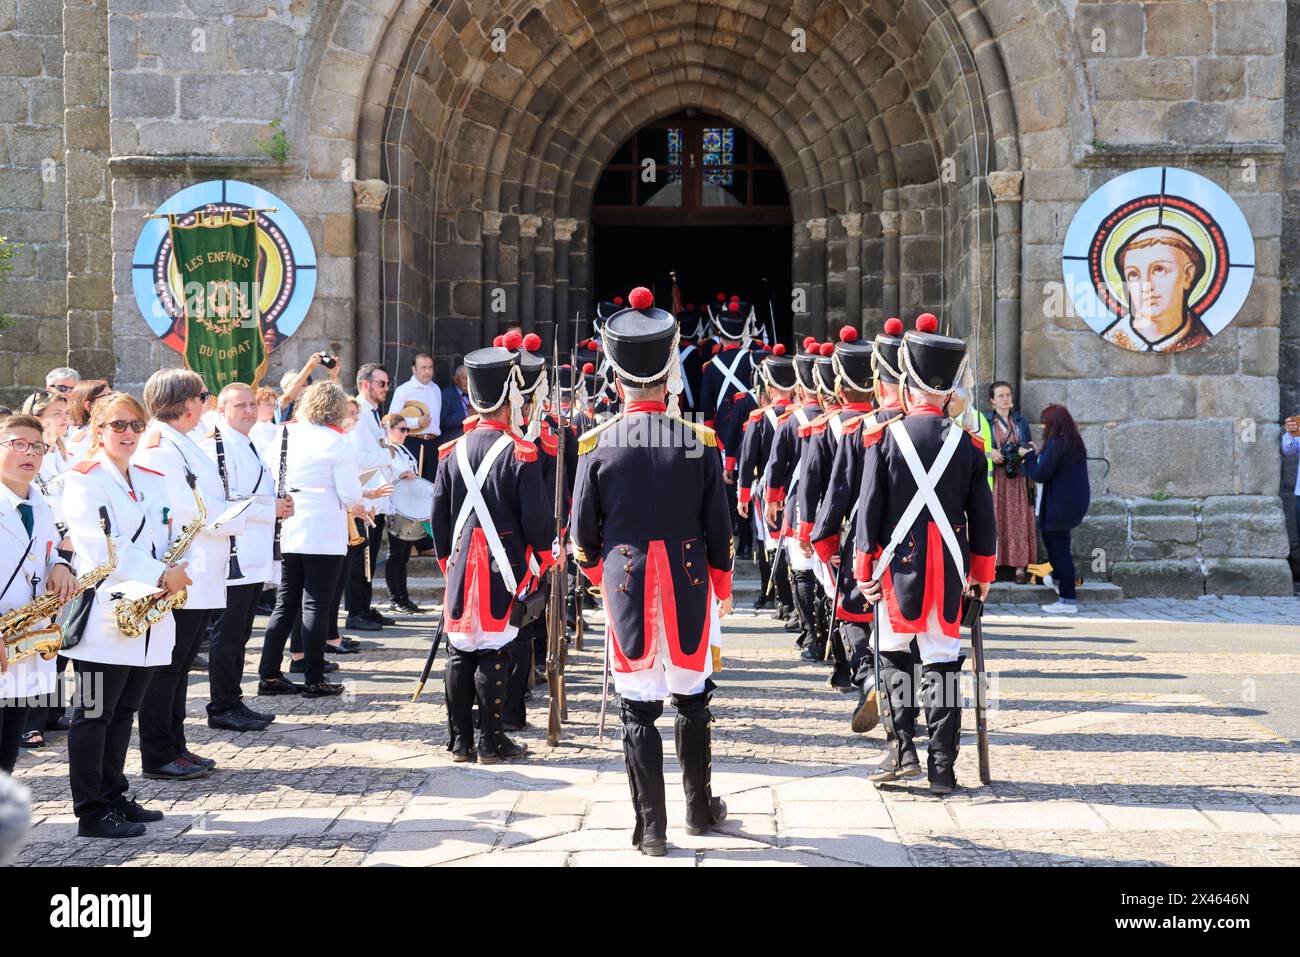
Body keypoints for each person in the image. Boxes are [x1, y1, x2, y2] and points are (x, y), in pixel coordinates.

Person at [571, 286, 734, 857]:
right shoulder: (698, 443)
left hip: (626, 583)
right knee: (692, 697)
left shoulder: (597, 445)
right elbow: (720, 532)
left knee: (638, 704)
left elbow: (582, 540)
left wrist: (603, 582)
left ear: (616, 380)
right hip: (690, 583)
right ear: (668, 375)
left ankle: (652, 828)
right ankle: (698, 810)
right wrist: (720, 585)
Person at [855, 314, 996, 794]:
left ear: (909, 379)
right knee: (943, 662)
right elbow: (984, 520)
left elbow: (868, 513)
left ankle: (902, 752)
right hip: (951, 571)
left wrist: (862, 566)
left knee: (893, 653)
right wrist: (981, 574)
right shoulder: (970, 444)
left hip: (899, 568)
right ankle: (943, 767)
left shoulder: (883, 438)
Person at [62, 392, 190, 837]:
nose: (129, 433)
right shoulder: (81, 479)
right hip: (104, 615)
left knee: (122, 713)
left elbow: (169, 532)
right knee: (93, 713)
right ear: (98, 430)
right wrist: (161, 573)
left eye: (136, 425)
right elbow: (101, 549)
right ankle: (92, 811)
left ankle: (115, 795)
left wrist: (173, 568)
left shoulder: (150, 477)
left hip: (147, 615)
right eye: (118, 425)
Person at [431, 344, 554, 765]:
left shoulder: (450, 452)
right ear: (510, 398)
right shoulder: (521, 453)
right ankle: (491, 741)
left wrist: (448, 562)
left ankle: (461, 741)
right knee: (494, 651)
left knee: (461, 650)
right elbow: (537, 520)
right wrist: (544, 558)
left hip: (464, 560)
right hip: (507, 562)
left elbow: (439, 519)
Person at [135, 369, 247, 781]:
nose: (208, 402)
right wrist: (243, 515)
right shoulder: (161, 447)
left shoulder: (184, 442)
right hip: (183, 569)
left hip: (202, 566)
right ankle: (159, 752)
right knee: (166, 666)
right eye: (204, 395)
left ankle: (176, 744)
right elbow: (189, 510)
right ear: (185, 404)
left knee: (179, 666)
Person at [813, 317, 908, 733]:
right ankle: (908, 709)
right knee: (911, 635)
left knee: (853, 614)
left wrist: (823, 539)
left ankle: (869, 677)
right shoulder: (944, 430)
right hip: (921, 550)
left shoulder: (862, 429)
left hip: (867, 542)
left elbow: (839, 492)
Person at [257, 381, 376, 698]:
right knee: (317, 605)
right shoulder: (336, 442)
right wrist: (361, 500)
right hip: (323, 528)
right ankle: (313, 677)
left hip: (291, 523)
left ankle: (268, 674)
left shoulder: (285, 433)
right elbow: (350, 492)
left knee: (286, 603)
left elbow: (268, 471)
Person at [199, 383, 292, 732]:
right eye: (240, 405)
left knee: (239, 634)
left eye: (253, 404)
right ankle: (221, 705)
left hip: (252, 550)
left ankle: (233, 699)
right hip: (233, 551)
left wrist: (279, 505)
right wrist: (272, 507)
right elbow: (224, 500)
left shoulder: (246, 442)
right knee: (228, 635)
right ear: (222, 410)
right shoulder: (216, 446)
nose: (250, 411)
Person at [798, 327, 878, 692]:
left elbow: (818, 485)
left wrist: (810, 532)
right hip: (881, 529)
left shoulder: (828, 427)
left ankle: (853, 670)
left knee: (843, 600)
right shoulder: (886, 423)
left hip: (842, 527)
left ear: (838, 388)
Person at [0, 414, 76, 774]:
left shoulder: (42, 504)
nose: (28, 453)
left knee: (7, 749)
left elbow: (49, 551)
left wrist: (61, 564)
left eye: (37, 447)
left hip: (25, 641)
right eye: (17, 444)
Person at [763, 338, 826, 660]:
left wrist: (772, 501)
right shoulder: (841, 421)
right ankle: (830, 635)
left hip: (800, 502)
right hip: (834, 505)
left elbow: (775, 467)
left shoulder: (791, 422)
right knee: (825, 574)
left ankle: (812, 636)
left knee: (801, 572)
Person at [19, 391, 74, 748]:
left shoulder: (64, 453)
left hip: (62, 554)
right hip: (39, 559)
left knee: (57, 637)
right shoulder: (32, 460)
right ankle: (28, 720)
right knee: (31, 645)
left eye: (66, 413)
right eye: (56, 413)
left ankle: (49, 710)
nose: (64, 420)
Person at [736, 345, 796, 617]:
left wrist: (743, 494)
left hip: (766, 491)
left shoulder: (759, 419)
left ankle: (772, 594)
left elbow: (747, 461)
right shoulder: (801, 418)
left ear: (769, 387)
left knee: (768, 544)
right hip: (794, 490)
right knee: (790, 547)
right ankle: (787, 600)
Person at [1019, 404, 1091, 615]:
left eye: (1045, 422)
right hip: (1068, 505)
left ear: (1053, 423)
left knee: (1059, 551)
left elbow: (1040, 473)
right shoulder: (1071, 441)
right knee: (1055, 545)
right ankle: (1058, 580)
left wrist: (1029, 455)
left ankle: (1067, 599)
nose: (1043, 426)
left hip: (1060, 506)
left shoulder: (1058, 443)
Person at [345, 362, 397, 631]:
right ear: (365, 384)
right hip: (364, 498)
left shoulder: (373, 414)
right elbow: (356, 458)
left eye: (387, 384)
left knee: (370, 556)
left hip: (375, 497)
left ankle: (364, 606)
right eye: (381, 384)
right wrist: (386, 453)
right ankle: (355, 611)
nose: (386, 389)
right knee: (360, 559)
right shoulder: (357, 413)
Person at [987, 381, 1037, 584]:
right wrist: (991, 452)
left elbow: (1031, 445)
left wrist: (1024, 451)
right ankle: (994, 565)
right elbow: (976, 445)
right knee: (996, 519)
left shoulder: (1020, 422)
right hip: (997, 479)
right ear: (992, 401)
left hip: (1018, 478)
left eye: (1008, 395)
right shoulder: (987, 421)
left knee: (1018, 520)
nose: (1006, 399)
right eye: (1001, 396)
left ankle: (1019, 566)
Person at [379, 413, 421, 613]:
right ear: (389, 429)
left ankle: (404, 598)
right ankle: (395, 598)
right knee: (395, 554)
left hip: (408, 507)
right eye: (401, 429)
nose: (406, 433)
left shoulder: (401, 449)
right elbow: (386, 474)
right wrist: (401, 475)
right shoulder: (386, 450)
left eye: (407, 430)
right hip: (396, 507)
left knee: (403, 556)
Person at [64, 379, 110, 462]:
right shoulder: (81, 441)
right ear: (88, 405)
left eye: (113, 394)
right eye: (107, 396)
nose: (115, 399)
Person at [439, 365, 471, 445]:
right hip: (454, 442)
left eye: (470, 378)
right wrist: (466, 414)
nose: (469, 382)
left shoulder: (474, 393)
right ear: (456, 379)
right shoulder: (446, 395)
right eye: (465, 378)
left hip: (472, 439)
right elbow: (444, 421)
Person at [250, 386, 279, 455]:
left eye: (274, 405)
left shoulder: (276, 428)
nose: (272, 408)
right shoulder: (250, 429)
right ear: (256, 405)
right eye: (268, 404)